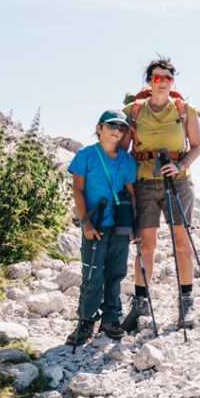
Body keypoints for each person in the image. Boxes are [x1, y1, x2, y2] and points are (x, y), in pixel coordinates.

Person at [122, 56, 200, 331]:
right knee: (146, 245)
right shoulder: (135, 112)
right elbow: (124, 150)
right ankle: (140, 303)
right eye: (157, 78)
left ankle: (186, 302)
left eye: (167, 78)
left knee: (182, 243)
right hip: (144, 182)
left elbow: (197, 146)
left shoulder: (184, 110)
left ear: (172, 82)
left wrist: (180, 164)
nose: (162, 83)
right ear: (148, 81)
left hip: (178, 182)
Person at [66, 110, 139, 346]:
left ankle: (110, 319)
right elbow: (77, 190)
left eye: (121, 128)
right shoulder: (86, 155)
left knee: (116, 273)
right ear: (99, 128)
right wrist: (85, 223)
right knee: (92, 274)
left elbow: (130, 192)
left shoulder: (127, 161)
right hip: (95, 223)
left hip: (119, 225)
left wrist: (133, 225)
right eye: (111, 126)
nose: (116, 131)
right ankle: (86, 321)